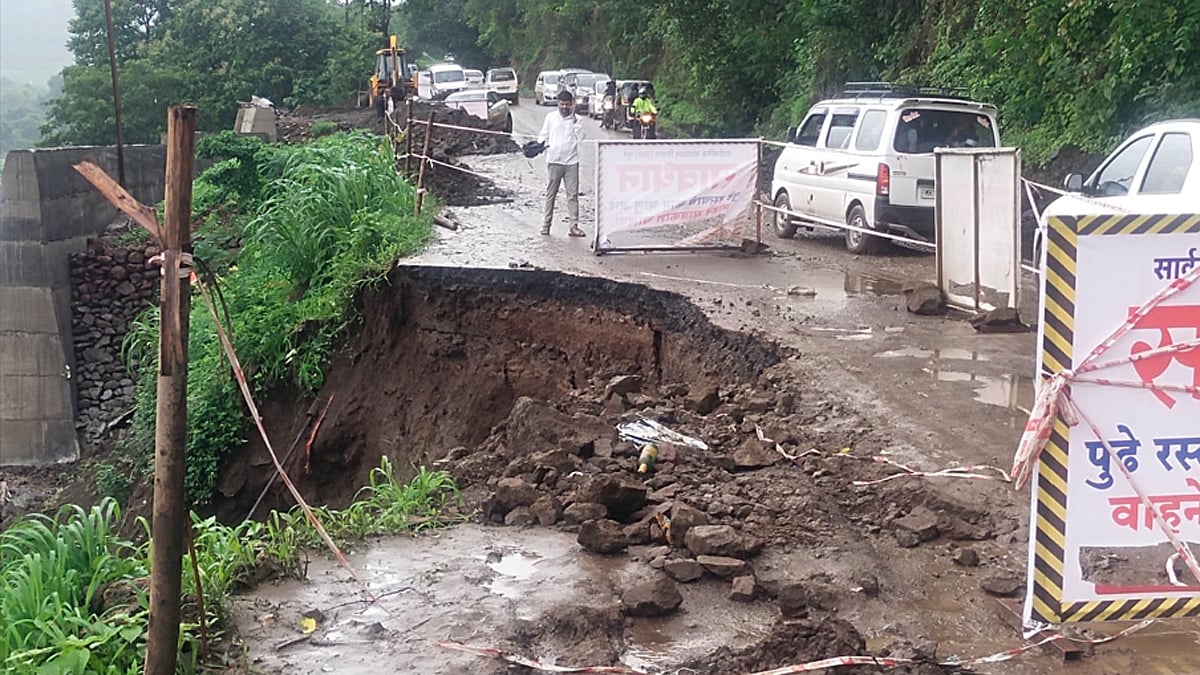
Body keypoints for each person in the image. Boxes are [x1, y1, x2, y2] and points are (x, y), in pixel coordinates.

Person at [537, 89, 586, 237]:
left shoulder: (577, 119)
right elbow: (543, 135)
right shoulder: (550, 117)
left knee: (572, 195)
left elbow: (582, 137)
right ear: (558, 103)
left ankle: (573, 226)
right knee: (551, 194)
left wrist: (574, 121)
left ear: (572, 105)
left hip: (572, 162)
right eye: (562, 104)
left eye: (567, 104)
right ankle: (546, 225)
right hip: (554, 161)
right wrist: (538, 146)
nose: (564, 107)